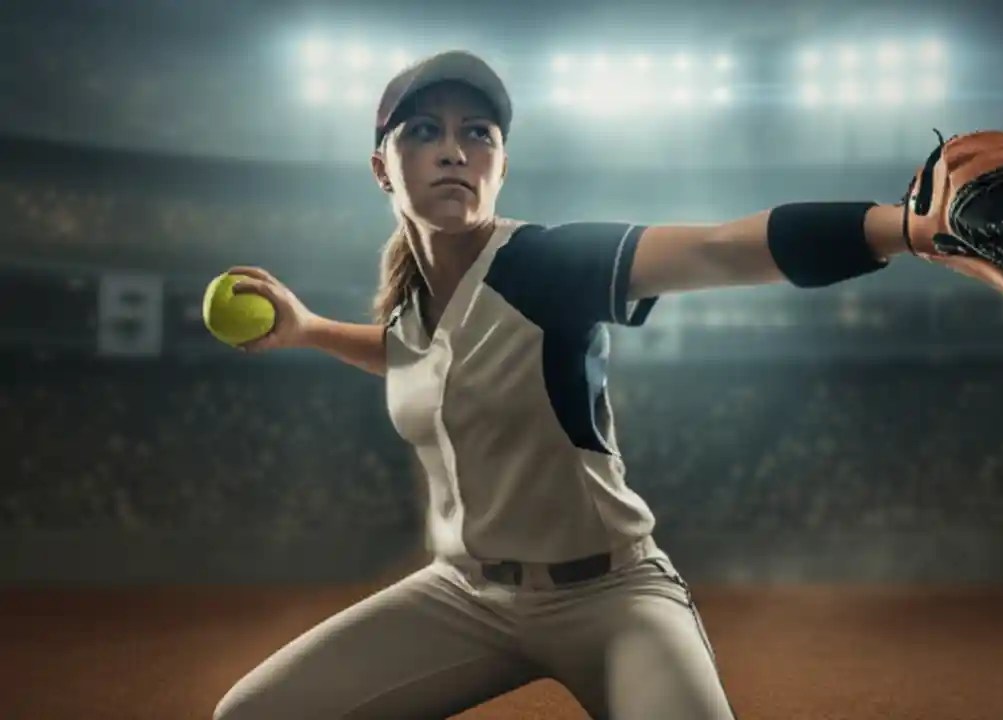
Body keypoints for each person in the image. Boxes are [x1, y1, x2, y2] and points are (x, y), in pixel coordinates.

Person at [212, 50, 908, 720]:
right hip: (465, 597)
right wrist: (308, 330)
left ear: (501, 165)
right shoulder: (411, 312)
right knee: (252, 713)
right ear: (382, 169)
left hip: (612, 595)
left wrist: (905, 228)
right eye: (423, 131)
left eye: (476, 134)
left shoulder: (546, 263)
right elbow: (414, 359)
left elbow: (721, 246)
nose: (453, 150)